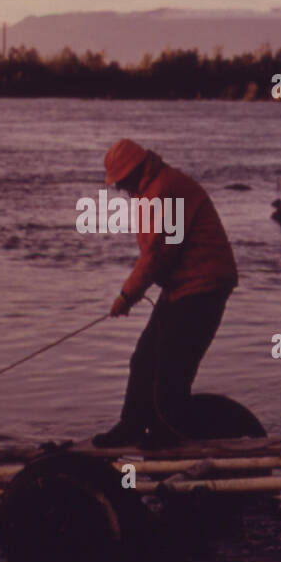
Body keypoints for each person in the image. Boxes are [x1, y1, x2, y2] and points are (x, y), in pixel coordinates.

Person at [93, 139, 238, 449]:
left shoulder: (165, 191)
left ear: (134, 171)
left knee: (171, 376)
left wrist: (126, 296)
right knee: (144, 361)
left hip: (203, 287)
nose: (119, 188)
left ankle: (173, 440)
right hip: (181, 288)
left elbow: (158, 255)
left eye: (120, 181)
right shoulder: (152, 189)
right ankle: (132, 426)